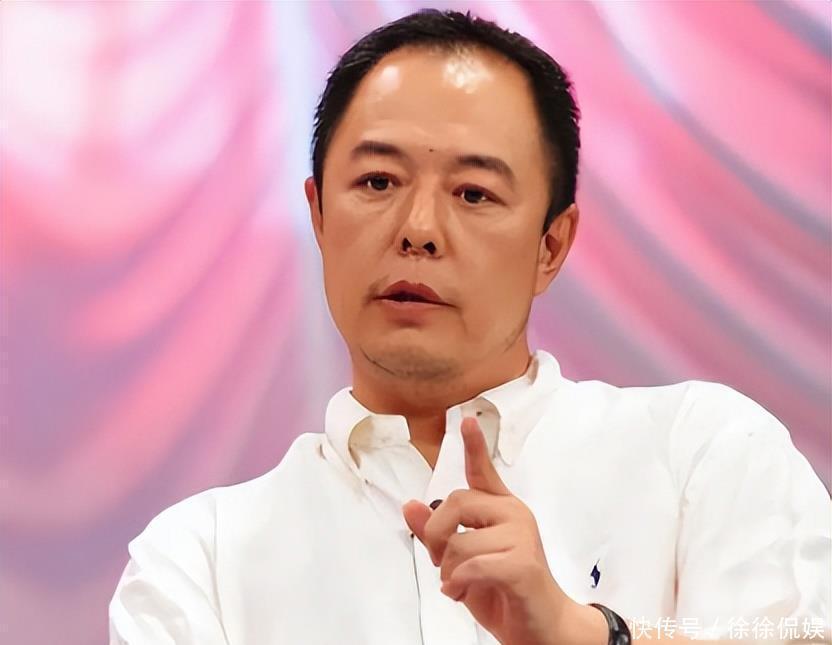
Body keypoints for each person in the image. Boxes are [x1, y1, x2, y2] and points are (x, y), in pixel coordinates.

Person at [108, 9, 830, 645]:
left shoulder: (703, 454)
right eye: (378, 182)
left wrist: (581, 634)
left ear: (551, 246)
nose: (418, 229)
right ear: (319, 215)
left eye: (474, 193)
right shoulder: (199, 561)